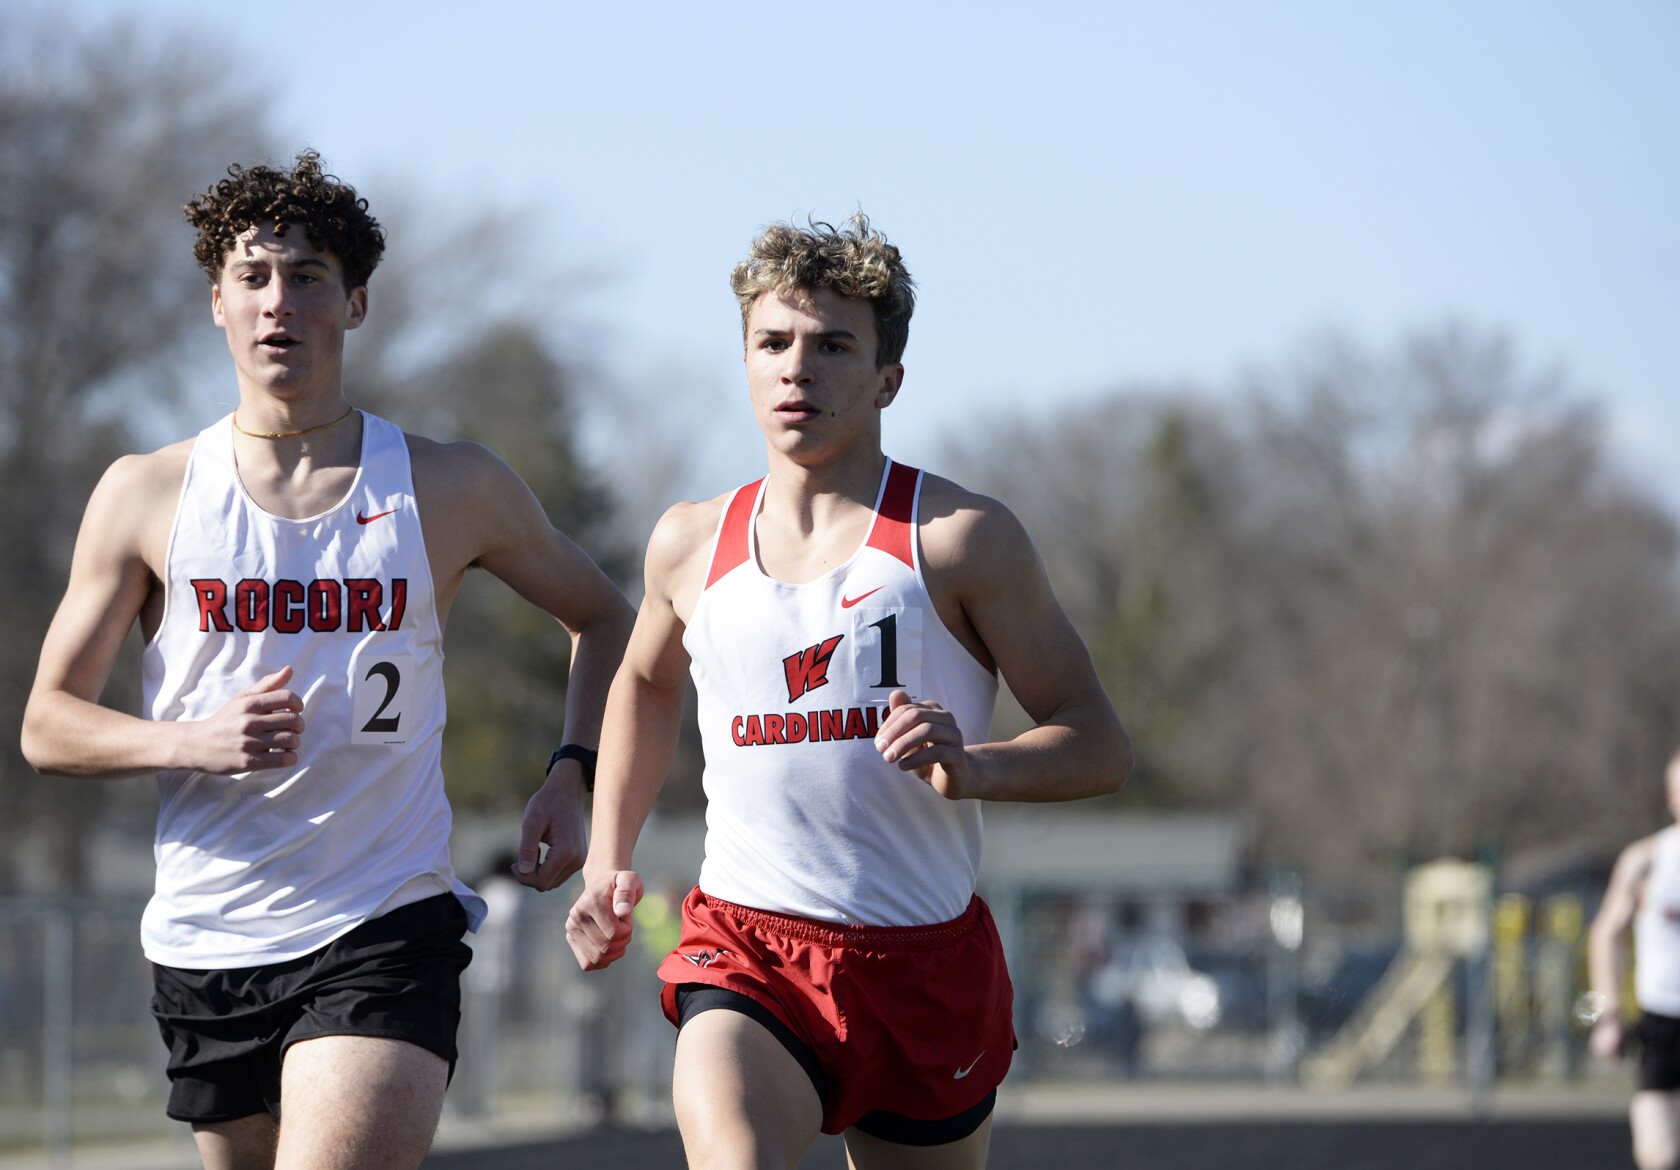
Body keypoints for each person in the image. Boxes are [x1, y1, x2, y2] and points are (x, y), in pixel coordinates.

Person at [20, 151, 633, 1170]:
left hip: (385, 920)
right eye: (253, 276)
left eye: (307, 276)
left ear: (355, 304)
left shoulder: (447, 484)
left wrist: (573, 774)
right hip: (208, 938)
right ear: (217, 302)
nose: (278, 301)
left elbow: (607, 617)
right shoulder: (146, 494)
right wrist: (193, 740)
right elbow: (47, 724)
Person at [565, 214, 1131, 1169]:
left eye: (833, 346)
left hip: (921, 964)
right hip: (747, 948)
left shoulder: (959, 538)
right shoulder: (689, 544)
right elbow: (646, 687)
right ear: (745, 360)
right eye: (773, 343)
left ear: (886, 379)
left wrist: (976, 766)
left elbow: (1100, 744)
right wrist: (605, 859)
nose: (798, 369)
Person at [1588, 747, 1680, 1170]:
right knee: (1657, 1154)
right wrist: (1606, 1016)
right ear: (1671, 798)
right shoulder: (1647, 861)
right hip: (1662, 1023)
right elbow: (1605, 935)